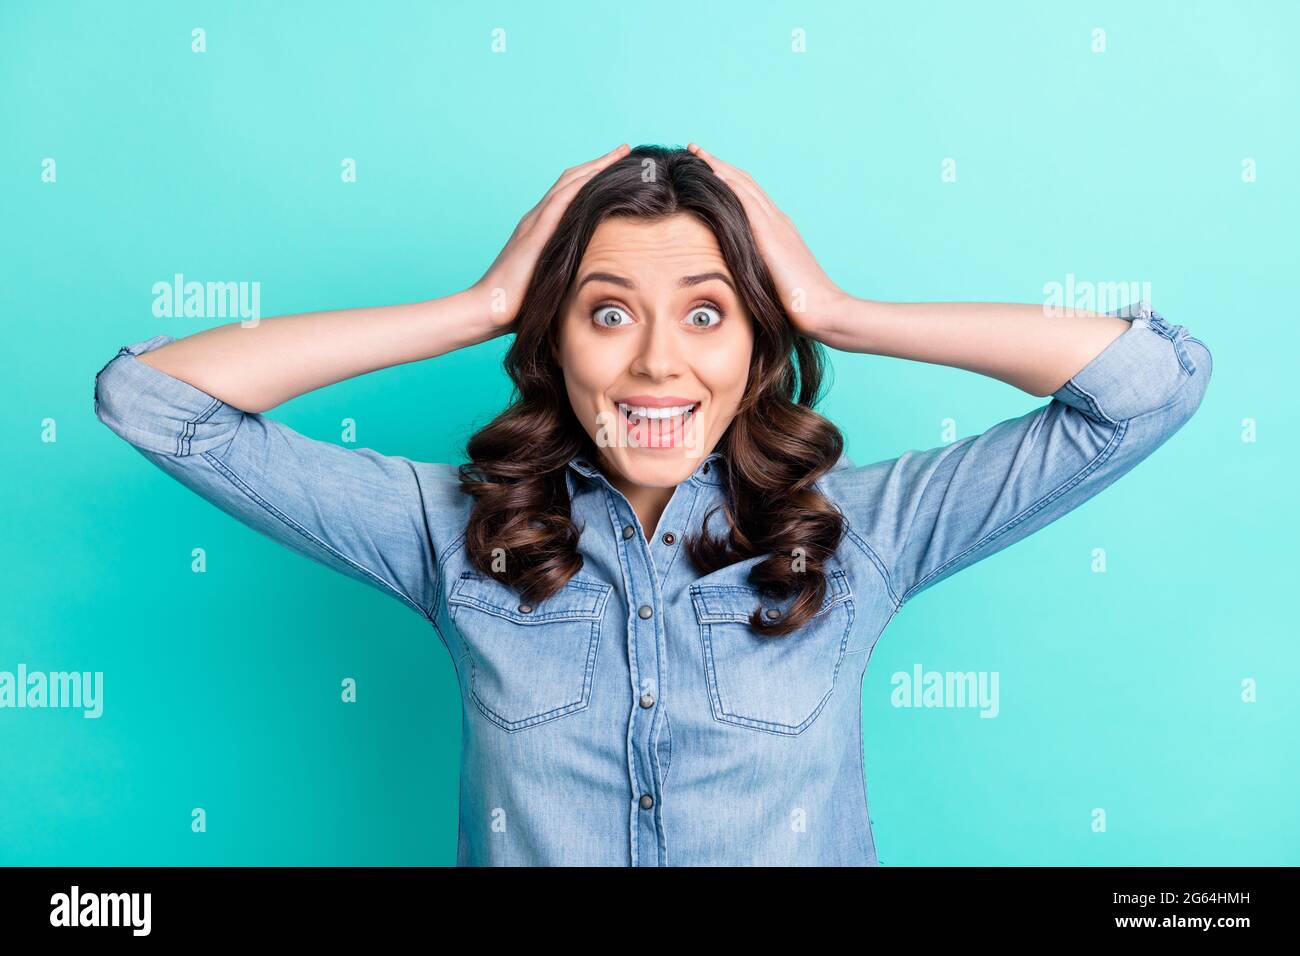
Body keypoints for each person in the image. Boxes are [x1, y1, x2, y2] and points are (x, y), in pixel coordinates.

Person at [93, 143, 1213, 866]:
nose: (656, 365)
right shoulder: (451, 533)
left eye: (708, 314)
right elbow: (151, 402)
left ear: (759, 342)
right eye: (610, 312)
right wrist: (479, 303)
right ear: (554, 337)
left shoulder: (864, 533)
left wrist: (840, 308)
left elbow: (1142, 387)